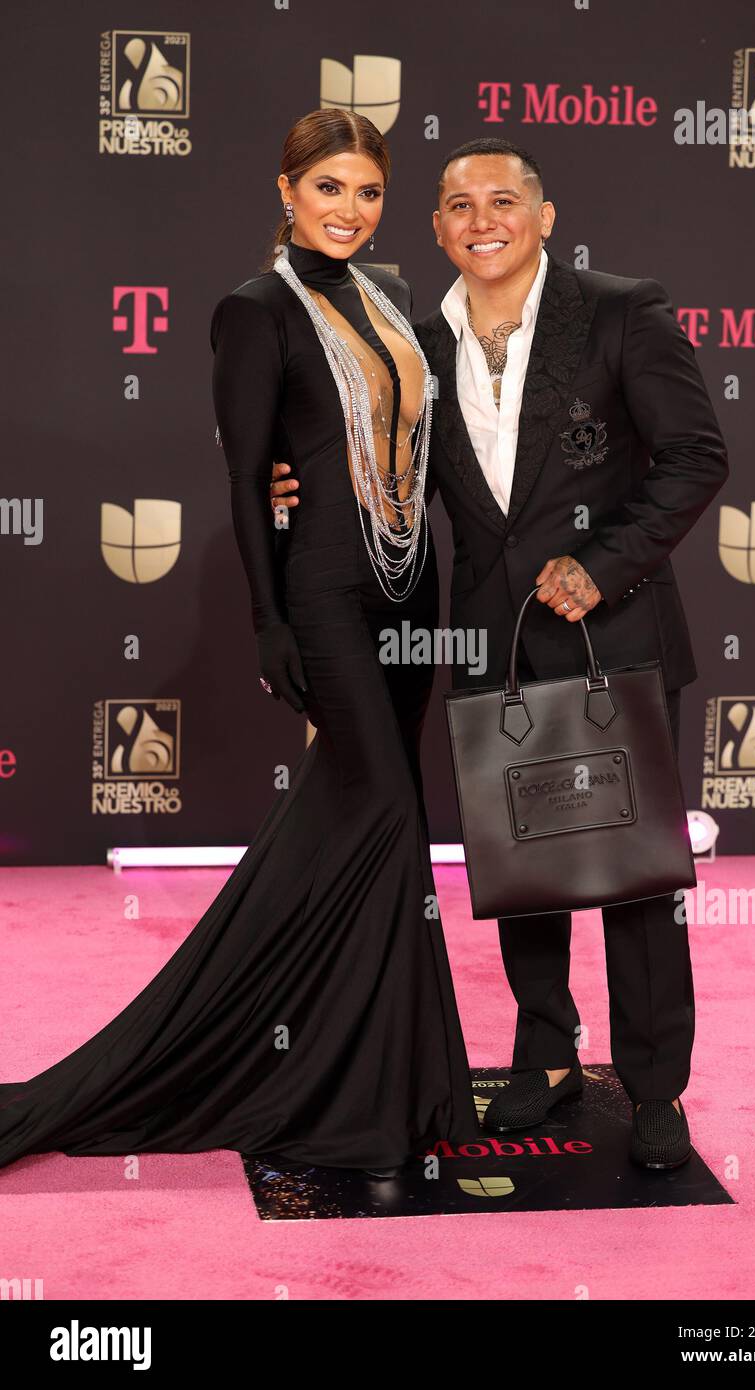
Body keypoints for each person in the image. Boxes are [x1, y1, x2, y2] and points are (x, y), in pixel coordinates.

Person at [0, 108, 479, 1178]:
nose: (348, 210)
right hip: (320, 587)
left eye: (365, 192)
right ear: (284, 190)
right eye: (327, 189)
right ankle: (358, 1084)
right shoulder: (252, 310)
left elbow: (423, 441)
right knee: (388, 817)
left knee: (360, 825)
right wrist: (269, 620)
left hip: (411, 588)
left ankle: (379, 1066)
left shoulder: (397, 303)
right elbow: (245, 475)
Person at [271, 137, 729, 1170]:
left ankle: (653, 1088)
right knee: (521, 869)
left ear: (543, 215)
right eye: (457, 204)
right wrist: (289, 489)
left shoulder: (619, 308)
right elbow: (379, 479)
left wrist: (602, 565)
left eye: (502, 200)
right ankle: (543, 1053)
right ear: (432, 228)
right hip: (489, 640)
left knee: (636, 880)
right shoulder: (410, 343)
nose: (481, 219)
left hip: (615, 639)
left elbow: (696, 455)